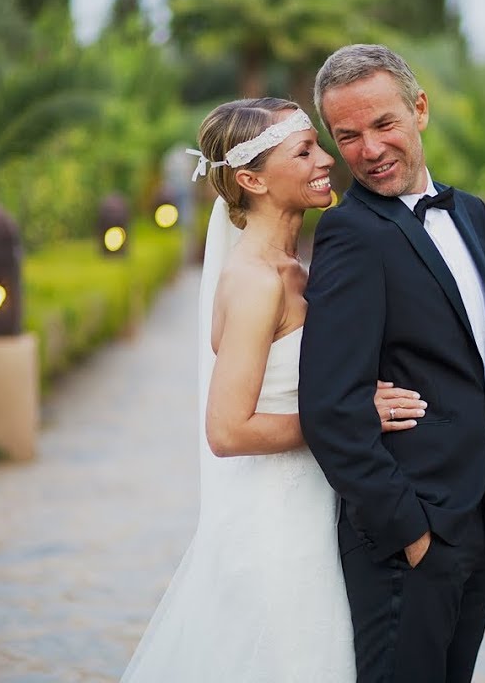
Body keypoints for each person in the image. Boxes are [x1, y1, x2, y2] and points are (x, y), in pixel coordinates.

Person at [119, 97, 428, 683]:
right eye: (304, 151)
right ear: (251, 179)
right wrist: (348, 417)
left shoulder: (295, 270)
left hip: (316, 507)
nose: (327, 161)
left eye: (318, 145)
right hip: (276, 529)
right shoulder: (257, 282)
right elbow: (227, 430)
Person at [298, 43, 485, 683]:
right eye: (347, 136)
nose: (370, 150)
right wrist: (412, 534)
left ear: (420, 110)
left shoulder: (471, 214)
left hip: (481, 524)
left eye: (383, 124)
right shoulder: (351, 234)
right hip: (409, 540)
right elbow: (329, 408)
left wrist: (479, 521)